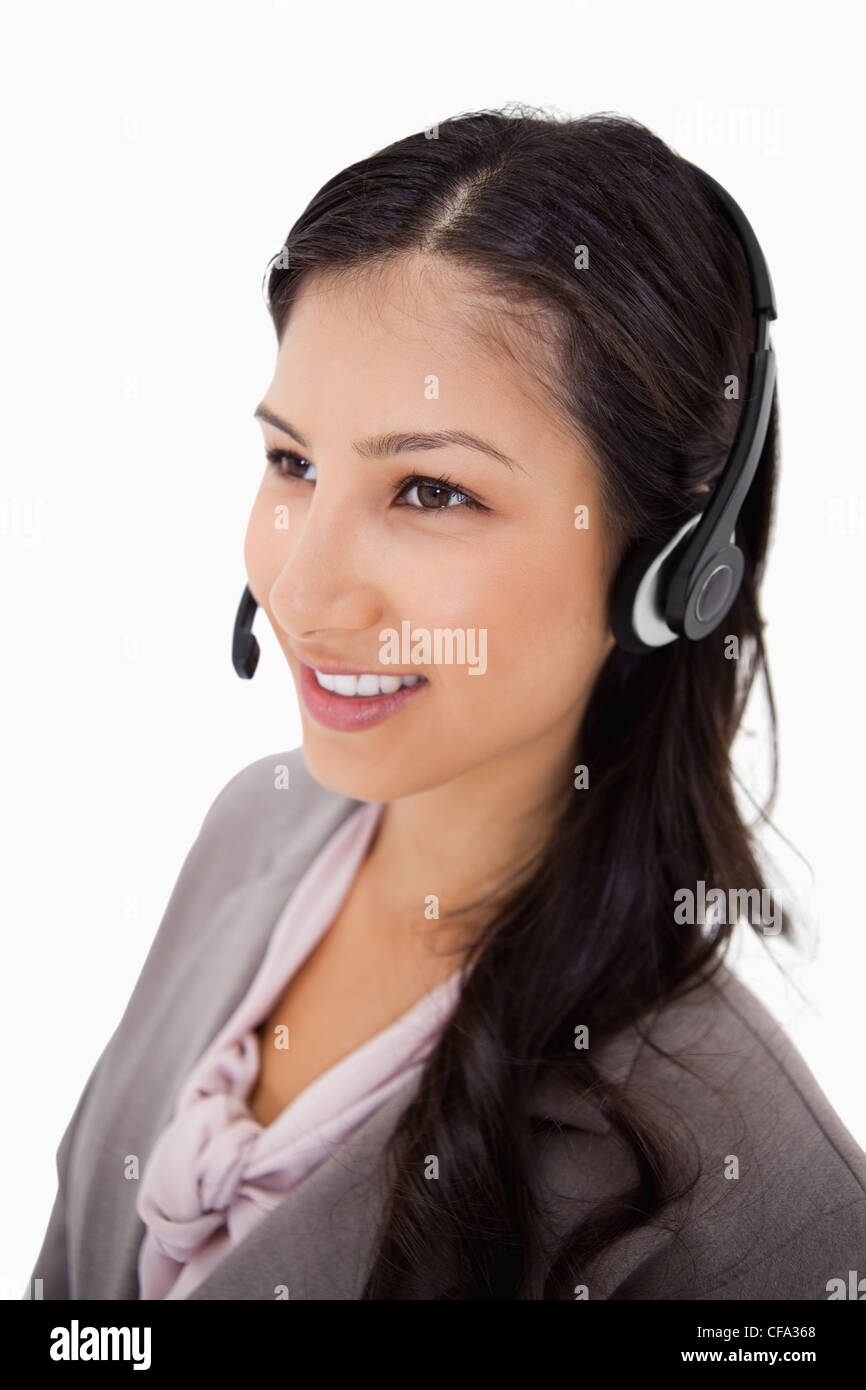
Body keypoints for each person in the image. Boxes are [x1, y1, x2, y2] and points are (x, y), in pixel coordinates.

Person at [28, 106, 866, 1301]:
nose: (303, 592)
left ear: (673, 565)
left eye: (429, 488)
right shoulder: (250, 829)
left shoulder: (765, 1218)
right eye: (292, 463)